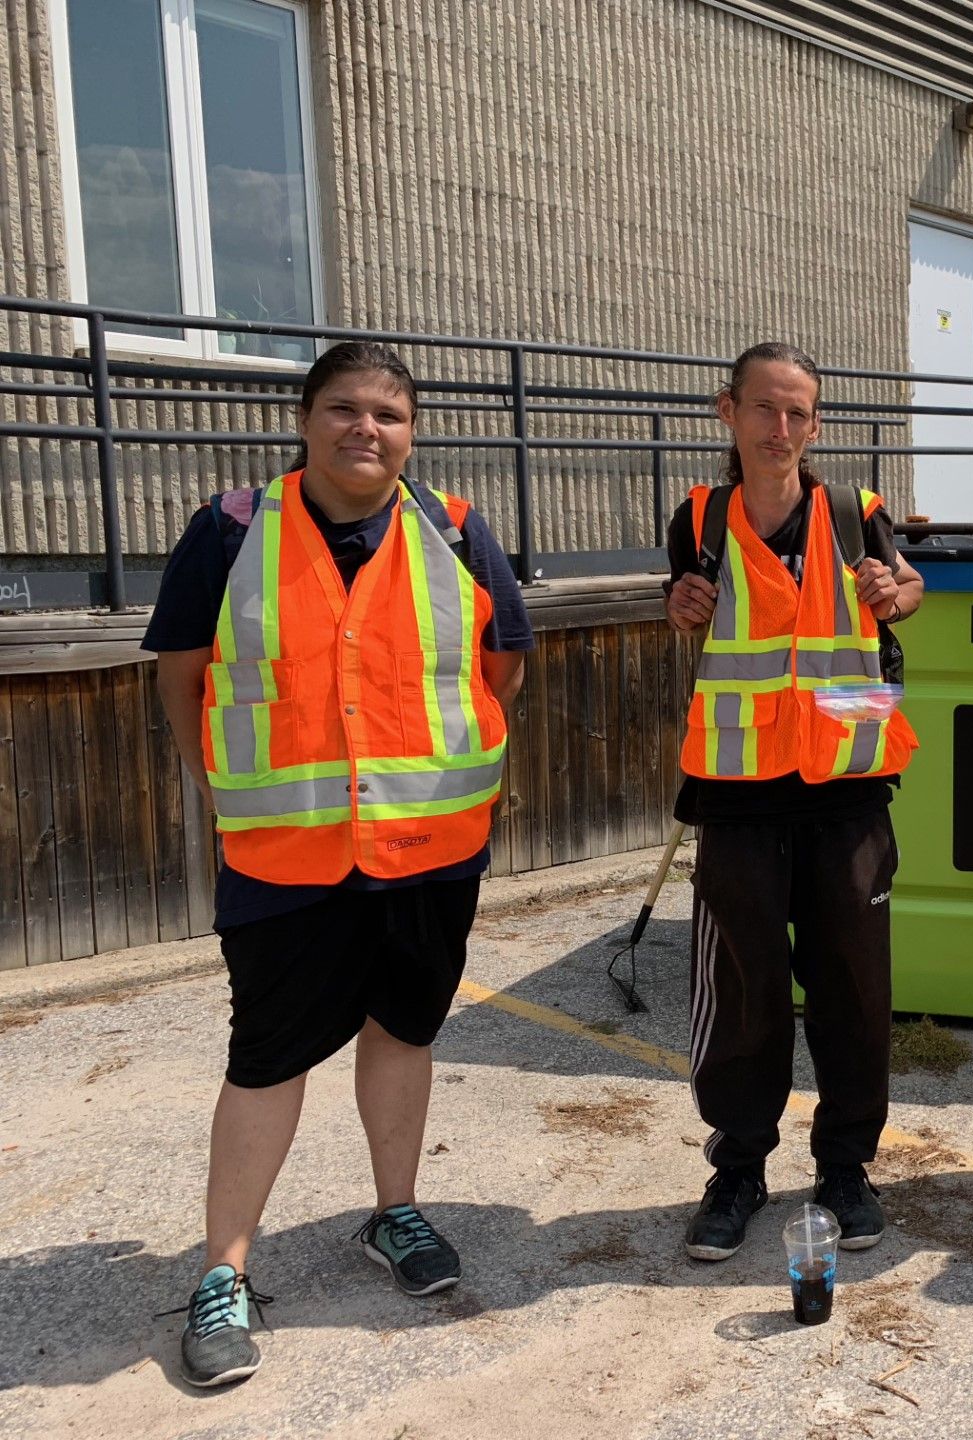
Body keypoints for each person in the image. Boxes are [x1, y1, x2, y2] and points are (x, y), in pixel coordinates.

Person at [143, 341, 532, 1387]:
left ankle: (394, 1214)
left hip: (429, 848)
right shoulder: (230, 532)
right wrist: (216, 786)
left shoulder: (454, 530)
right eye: (347, 409)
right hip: (287, 854)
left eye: (390, 415)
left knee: (403, 1031)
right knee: (267, 1055)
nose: (369, 429)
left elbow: (504, 661)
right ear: (307, 420)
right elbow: (183, 674)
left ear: (413, 432)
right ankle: (224, 1272)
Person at [664, 342, 924, 1261]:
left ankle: (846, 1167)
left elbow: (905, 594)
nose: (781, 430)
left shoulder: (855, 513)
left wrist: (901, 591)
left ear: (816, 426)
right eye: (765, 409)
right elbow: (690, 610)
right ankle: (738, 1170)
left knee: (855, 989)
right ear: (725, 410)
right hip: (737, 795)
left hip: (849, 787)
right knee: (745, 991)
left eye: (799, 414)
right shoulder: (696, 518)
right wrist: (679, 603)